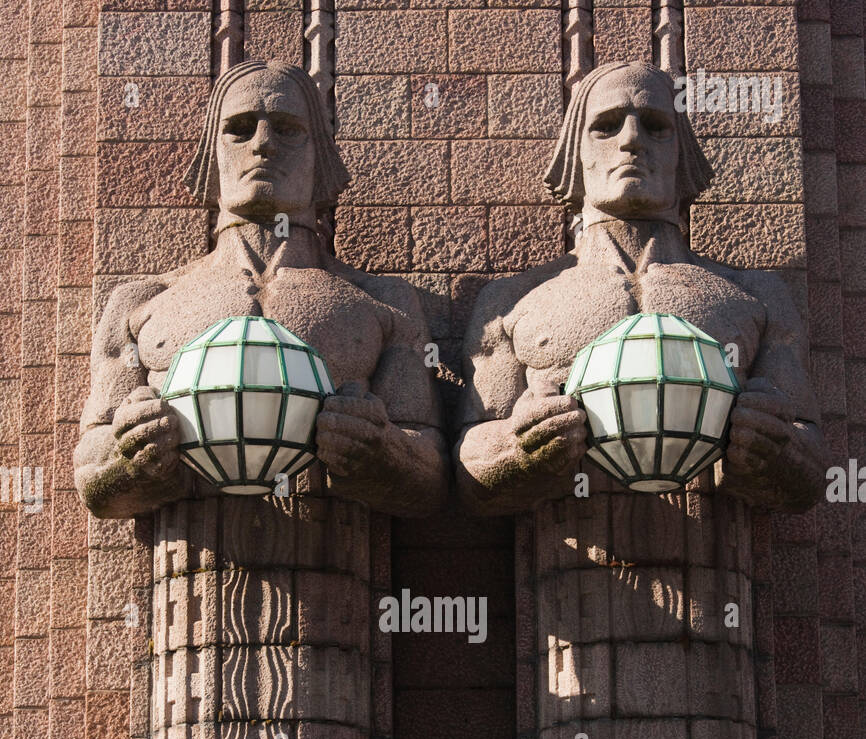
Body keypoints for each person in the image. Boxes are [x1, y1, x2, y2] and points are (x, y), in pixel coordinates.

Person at [75, 60, 449, 520]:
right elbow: (93, 475)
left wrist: (381, 452)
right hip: (182, 565)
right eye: (240, 129)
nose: (264, 144)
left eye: (289, 129)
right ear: (211, 154)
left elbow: (433, 477)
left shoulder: (385, 303)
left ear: (321, 156)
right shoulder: (141, 303)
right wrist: (129, 455)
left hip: (341, 561)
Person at [455, 61, 825, 515]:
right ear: (576, 152)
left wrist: (775, 445)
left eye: (655, 127)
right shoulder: (512, 300)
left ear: (681, 153)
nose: (631, 141)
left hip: (721, 560)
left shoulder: (755, 295)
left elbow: (811, 468)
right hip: (561, 555)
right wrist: (519, 447)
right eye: (606, 127)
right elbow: (467, 466)